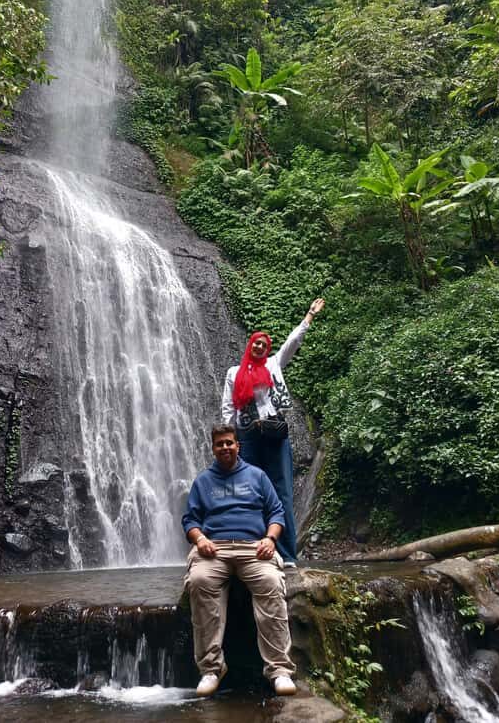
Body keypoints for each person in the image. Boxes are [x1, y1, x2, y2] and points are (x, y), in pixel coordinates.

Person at [182, 423, 297, 698]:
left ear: (238, 445)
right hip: (215, 549)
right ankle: (211, 669)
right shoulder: (203, 481)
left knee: (271, 582)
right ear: (213, 448)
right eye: (219, 444)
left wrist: (270, 539)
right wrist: (200, 539)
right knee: (199, 581)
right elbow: (190, 520)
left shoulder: (257, 476)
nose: (225, 447)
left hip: (254, 548)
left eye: (229, 443)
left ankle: (279, 670)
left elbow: (276, 512)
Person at [221, 298, 325, 565]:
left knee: (282, 492)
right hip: (247, 435)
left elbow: (293, 342)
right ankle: (254, 552)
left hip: (274, 433)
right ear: (249, 345)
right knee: (249, 492)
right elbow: (228, 407)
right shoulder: (234, 373)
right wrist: (230, 439)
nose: (259, 346)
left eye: (263, 344)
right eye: (256, 342)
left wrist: (309, 316)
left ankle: (287, 554)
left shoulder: (273, 365)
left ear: (267, 349)